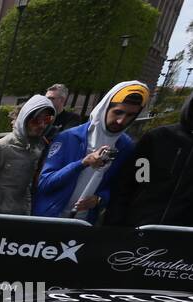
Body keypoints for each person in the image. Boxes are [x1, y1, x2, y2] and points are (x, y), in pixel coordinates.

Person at [34, 80, 148, 221]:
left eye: (131, 116)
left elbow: (123, 188)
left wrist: (100, 199)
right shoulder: (68, 137)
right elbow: (45, 184)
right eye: (118, 112)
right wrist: (82, 163)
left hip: (83, 226)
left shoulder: (127, 146)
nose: (121, 121)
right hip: (47, 220)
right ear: (105, 108)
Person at [104, 89, 193, 228]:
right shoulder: (159, 138)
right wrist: (115, 223)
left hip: (181, 236)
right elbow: (130, 183)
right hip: (137, 227)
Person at [0, 95, 55, 216]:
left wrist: (27, 217)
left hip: (18, 221)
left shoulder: (35, 150)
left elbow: (26, 190)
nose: (41, 125)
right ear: (24, 119)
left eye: (46, 120)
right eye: (36, 120)